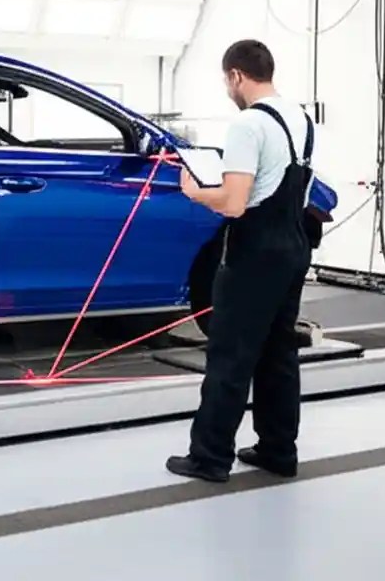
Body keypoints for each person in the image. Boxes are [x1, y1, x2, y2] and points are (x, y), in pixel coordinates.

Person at [166, 39, 315, 483]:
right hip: (294, 245)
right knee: (279, 353)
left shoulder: (248, 125)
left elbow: (233, 203)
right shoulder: (302, 119)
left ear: (236, 76)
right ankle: (278, 450)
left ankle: (209, 457)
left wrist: (196, 192)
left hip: (255, 250)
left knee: (230, 354)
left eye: (226, 81)